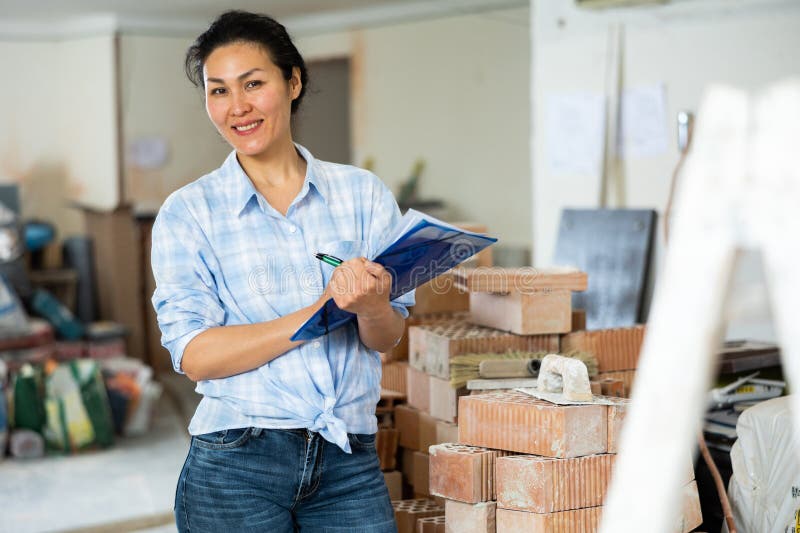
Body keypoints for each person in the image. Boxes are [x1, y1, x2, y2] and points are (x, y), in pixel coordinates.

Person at [150, 10, 413, 532]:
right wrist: (320, 311)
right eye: (218, 90)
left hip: (349, 457)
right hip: (236, 460)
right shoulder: (189, 213)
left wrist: (373, 306)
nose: (237, 107)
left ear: (293, 82)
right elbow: (197, 355)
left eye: (253, 84)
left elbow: (387, 339)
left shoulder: (362, 194)